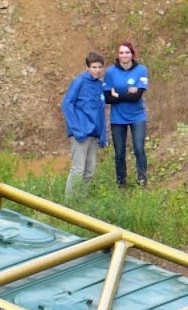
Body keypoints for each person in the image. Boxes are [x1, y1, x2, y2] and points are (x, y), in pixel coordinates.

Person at [102, 42, 149, 189]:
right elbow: (107, 98)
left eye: (127, 52)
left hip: (137, 116)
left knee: (139, 148)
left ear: (132, 54)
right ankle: (121, 182)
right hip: (118, 118)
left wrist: (118, 96)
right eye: (121, 53)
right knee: (119, 151)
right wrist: (127, 93)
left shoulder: (141, 70)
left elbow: (137, 96)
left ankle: (142, 179)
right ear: (118, 55)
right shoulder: (110, 72)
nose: (124, 55)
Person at [61, 52, 108, 198]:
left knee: (90, 170)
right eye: (94, 67)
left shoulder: (100, 85)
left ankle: (82, 201)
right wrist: (77, 129)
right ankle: (69, 204)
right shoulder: (79, 82)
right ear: (87, 67)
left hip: (94, 134)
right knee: (78, 169)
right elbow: (67, 104)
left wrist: (103, 135)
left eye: (100, 67)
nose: (97, 70)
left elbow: (101, 111)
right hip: (81, 134)